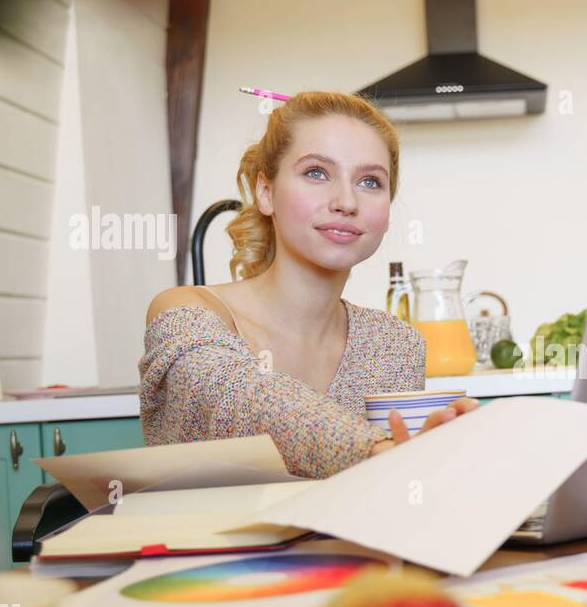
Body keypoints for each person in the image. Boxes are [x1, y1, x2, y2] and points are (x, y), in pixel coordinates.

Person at [139, 90, 478, 478]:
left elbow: (389, 494)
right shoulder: (187, 311)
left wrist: (432, 459)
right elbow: (241, 398)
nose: (347, 201)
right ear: (266, 192)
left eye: (370, 181)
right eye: (317, 173)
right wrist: (376, 452)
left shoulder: (394, 346)